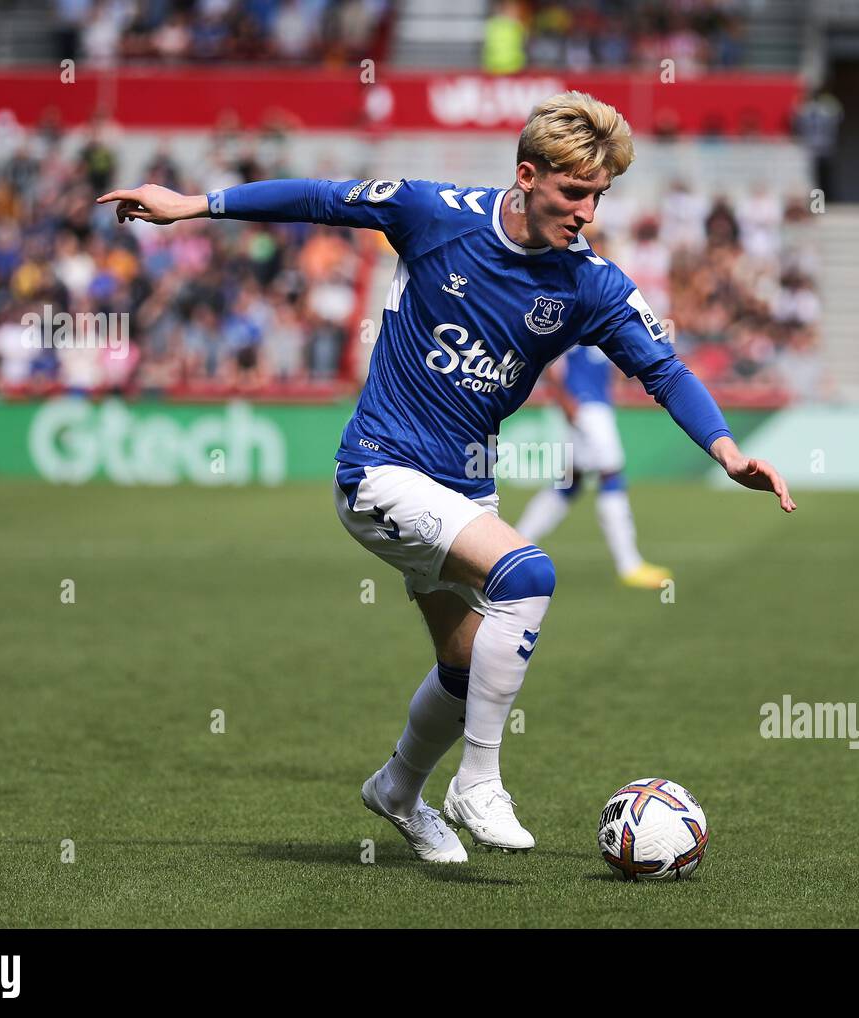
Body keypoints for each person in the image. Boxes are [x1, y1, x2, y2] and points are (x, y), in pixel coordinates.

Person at [96, 91, 796, 864]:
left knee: (465, 666)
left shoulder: (589, 283)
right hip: (379, 469)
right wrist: (193, 204)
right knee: (529, 575)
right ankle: (478, 782)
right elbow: (322, 199)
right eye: (573, 192)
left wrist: (727, 448)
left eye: (599, 196)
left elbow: (664, 368)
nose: (587, 212)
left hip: (465, 487)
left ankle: (397, 788)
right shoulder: (433, 214)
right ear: (527, 175)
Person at [515, 344, 672, 588]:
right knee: (611, 476)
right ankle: (629, 565)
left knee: (570, 481)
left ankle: (517, 543)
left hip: (595, 406)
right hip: (585, 408)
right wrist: (564, 400)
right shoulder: (579, 314)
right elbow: (552, 360)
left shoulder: (602, 319)